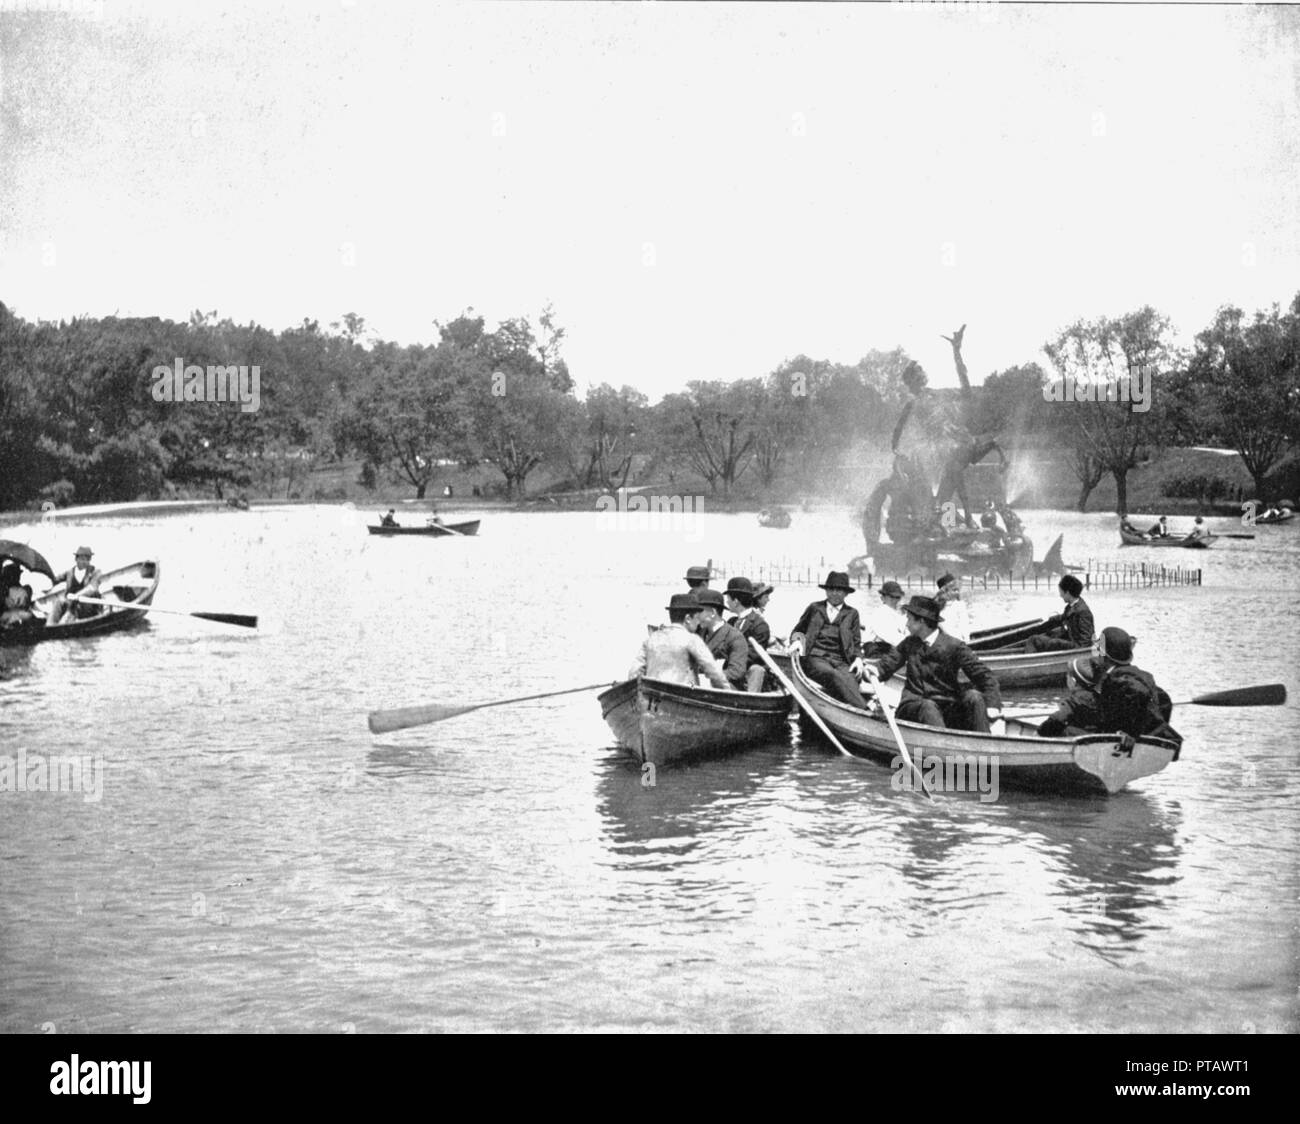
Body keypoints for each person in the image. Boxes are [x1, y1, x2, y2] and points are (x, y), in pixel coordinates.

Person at [867, 595, 1003, 733]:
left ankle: (984, 745)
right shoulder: (909, 643)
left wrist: (992, 706)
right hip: (913, 707)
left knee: (974, 697)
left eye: (909, 618)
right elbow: (887, 664)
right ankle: (943, 747)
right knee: (928, 707)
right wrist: (872, 670)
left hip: (946, 707)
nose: (906, 623)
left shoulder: (954, 646)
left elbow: (985, 676)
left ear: (921, 621)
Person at [1091, 627, 1182, 749]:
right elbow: (1165, 700)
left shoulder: (1115, 678)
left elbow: (1138, 694)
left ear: (1104, 656)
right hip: (1152, 738)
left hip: (1125, 742)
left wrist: (1131, 732)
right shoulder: (1143, 675)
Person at [788, 571, 867, 708]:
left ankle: (850, 711)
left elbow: (855, 642)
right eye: (831, 589)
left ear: (846, 593)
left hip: (841, 659)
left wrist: (859, 658)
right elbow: (797, 631)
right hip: (816, 657)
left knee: (852, 679)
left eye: (839, 590)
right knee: (832, 675)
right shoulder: (815, 608)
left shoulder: (852, 613)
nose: (835, 593)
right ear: (826, 591)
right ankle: (864, 711)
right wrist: (796, 641)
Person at [628, 593, 732, 690]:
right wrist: (728, 693)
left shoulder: (651, 639)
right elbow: (713, 672)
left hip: (653, 695)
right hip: (684, 697)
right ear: (687, 619)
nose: (699, 622)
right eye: (697, 617)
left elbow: (634, 672)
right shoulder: (692, 640)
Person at [694, 589, 750, 690]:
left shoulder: (735, 637)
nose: (696, 616)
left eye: (699, 611)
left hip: (725, 692)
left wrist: (706, 678)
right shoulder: (699, 633)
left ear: (712, 612)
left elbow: (736, 672)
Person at [1037, 656, 1104, 737]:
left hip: (1082, 741)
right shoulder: (1102, 698)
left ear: (1074, 681)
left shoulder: (1073, 702)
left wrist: (1040, 731)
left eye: (1067, 675)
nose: (1066, 678)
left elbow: (1057, 719)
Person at [724, 577, 771, 691]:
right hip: (731, 672)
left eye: (728, 598)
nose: (726, 602)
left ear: (736, 601)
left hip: (748, 676)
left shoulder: (759, 625)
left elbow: (752, 656)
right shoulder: (731, 622)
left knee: (757, 669)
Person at [1026, 574, 1095, 652]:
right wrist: (1050, 619)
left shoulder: (1083, 612)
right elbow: (1064, 617)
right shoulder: (1073, 605)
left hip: (1074, 647)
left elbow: (1085, 642)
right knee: (1047, 635)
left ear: (1068, 593)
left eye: (1061, 592)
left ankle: (1027, 660)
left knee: (1034, 640)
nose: (1060, 595)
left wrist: (1073, 655)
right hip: (1070, 640)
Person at [47, 547, 102, 625]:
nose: (85, 562)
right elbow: (54, 580)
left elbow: (92, 588)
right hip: (71, 605)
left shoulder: (95, 572)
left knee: (73, 610)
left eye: (88, 559)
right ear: (76, 559)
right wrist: (46, 585)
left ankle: (66, 622)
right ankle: (50, 625)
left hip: (87, 606)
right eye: (82, 559)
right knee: (58, 602)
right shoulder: (70, 572)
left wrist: (76, 596)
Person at [861, 580, 906, 658]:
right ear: (882, 598)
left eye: (897, 597)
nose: (895, 600)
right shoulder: (879, 613)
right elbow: (892, 638)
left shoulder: (900, 614)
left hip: (892, 648)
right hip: (876, 649)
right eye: (891, 597)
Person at [935, 572, 970, 643]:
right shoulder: (936, 605)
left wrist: (966, 640)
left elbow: (964, 624)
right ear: (946, 591)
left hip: (956, 639)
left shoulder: (960, 605)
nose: (957, 592)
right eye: (954, 590)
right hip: (940, 640)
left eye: (958, 590)